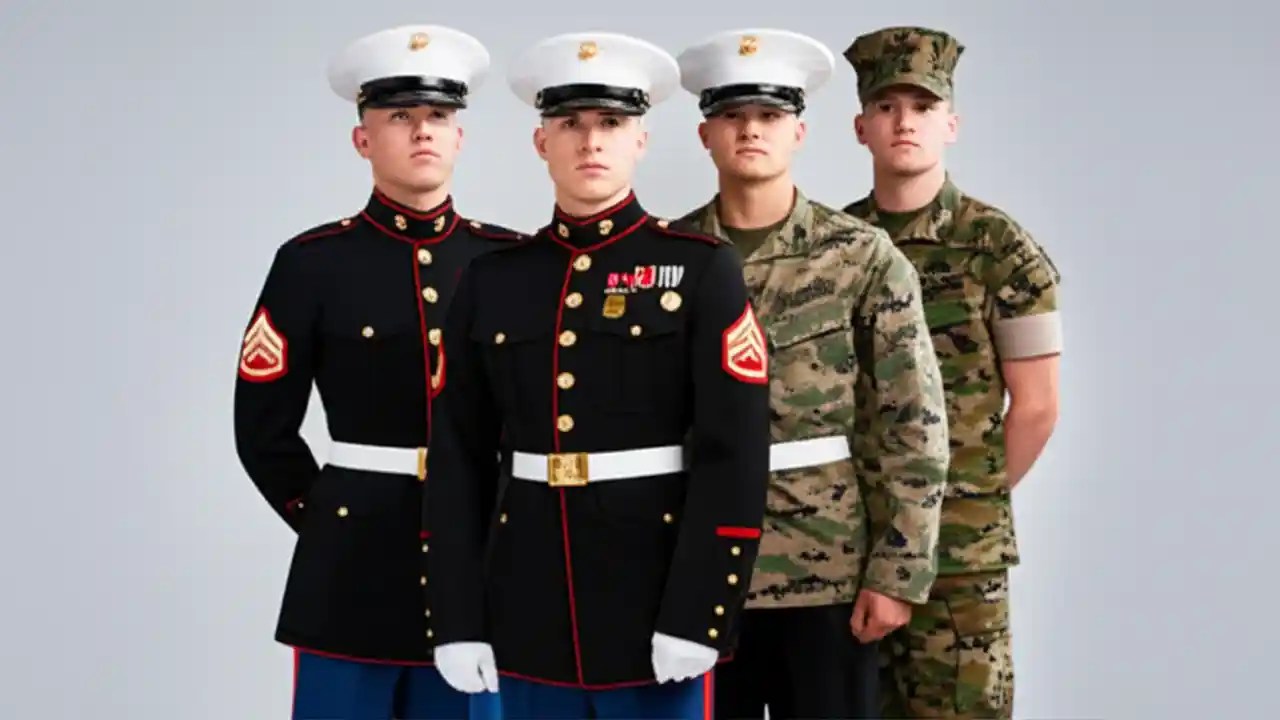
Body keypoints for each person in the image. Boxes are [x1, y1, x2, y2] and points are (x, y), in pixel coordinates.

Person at [421, 30, 773, 720]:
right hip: (525, 598)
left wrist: (702, 610)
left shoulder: (701, 267)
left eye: (611, 123)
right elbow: (458, 456)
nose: (590, 142)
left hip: (654, 599)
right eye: (570, 125)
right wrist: (455, 616)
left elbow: (735, 454)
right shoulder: (492, 281)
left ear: (639, 140)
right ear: (540, 142)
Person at [232, 23, 521, 719]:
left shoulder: (512, 264)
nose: (422, 131)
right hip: (350, 573)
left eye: (439, 117)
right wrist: (332, 521)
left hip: (482, 566)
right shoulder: (312, 263)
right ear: (364, 139)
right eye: (400, 116)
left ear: (460, 137)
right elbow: (262, 428)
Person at [676, 28, 951, 719]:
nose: (750, 132)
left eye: (769, 116)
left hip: (827, 575)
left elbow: (914, 423)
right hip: (701, 571)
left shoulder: (862, 258)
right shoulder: (667, 260)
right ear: (705, 132)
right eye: (733, 116)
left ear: (799, 131)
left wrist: (897, 573)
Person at [841, 25, 1064, 719]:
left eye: (923, 106)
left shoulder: (1002, 251)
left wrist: (956, 503)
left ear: (951, 124)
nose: (905, 122)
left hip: (960, 560)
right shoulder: (839, 249)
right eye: (886, 106)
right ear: (860, 127)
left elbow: (1036, 407)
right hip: (852, 549)